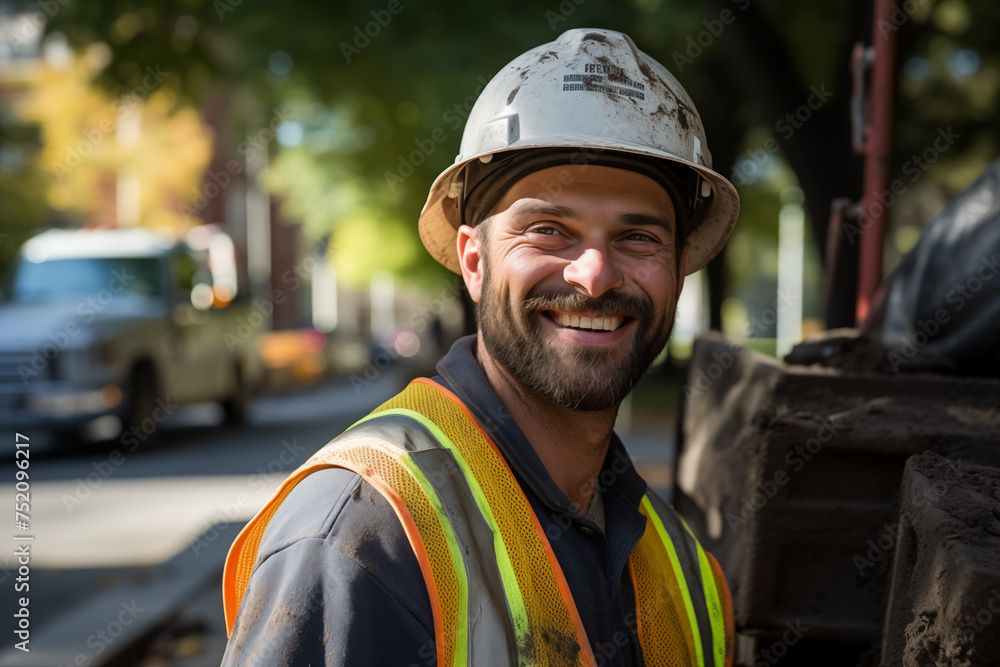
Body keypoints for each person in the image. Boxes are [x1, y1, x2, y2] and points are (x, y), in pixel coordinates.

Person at [222, 27, 740, 667]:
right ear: (473, 261)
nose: (595, 273)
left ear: (680, 265)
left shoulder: (683, 565)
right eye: (549, 230)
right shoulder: (364, 535)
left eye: (639, 238)